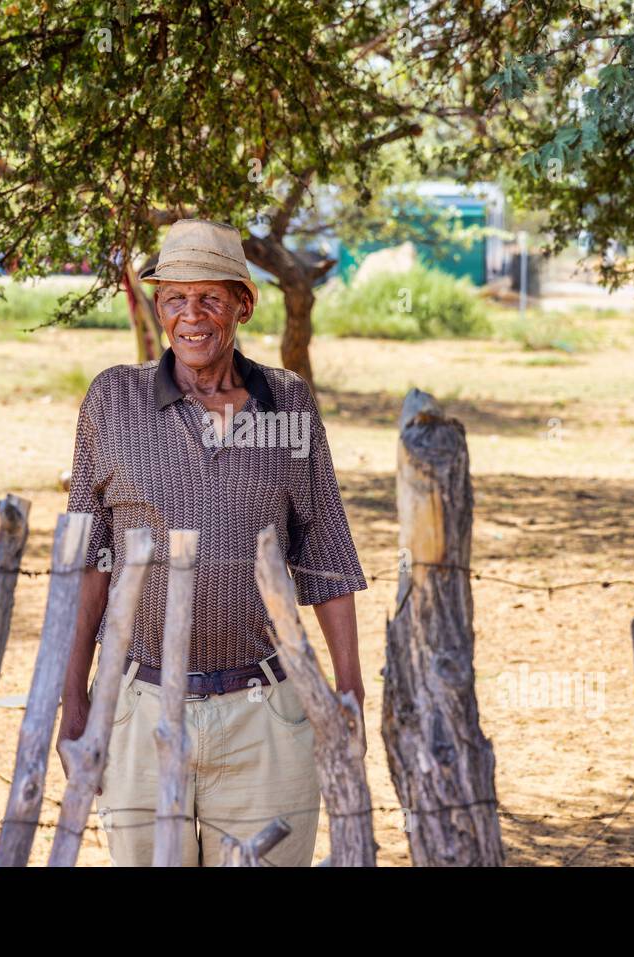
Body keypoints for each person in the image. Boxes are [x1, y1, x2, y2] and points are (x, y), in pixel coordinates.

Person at [59, 218, 367, 866]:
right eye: (175, 297)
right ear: (158, 306)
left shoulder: (288, 404)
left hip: (267, 718)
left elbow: (327, 557)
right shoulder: (112, 400)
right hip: (141, 712)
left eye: (210, 298)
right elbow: (89, 562)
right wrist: (74, 697)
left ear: (243, 304)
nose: (191, 316)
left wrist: (349, 691)